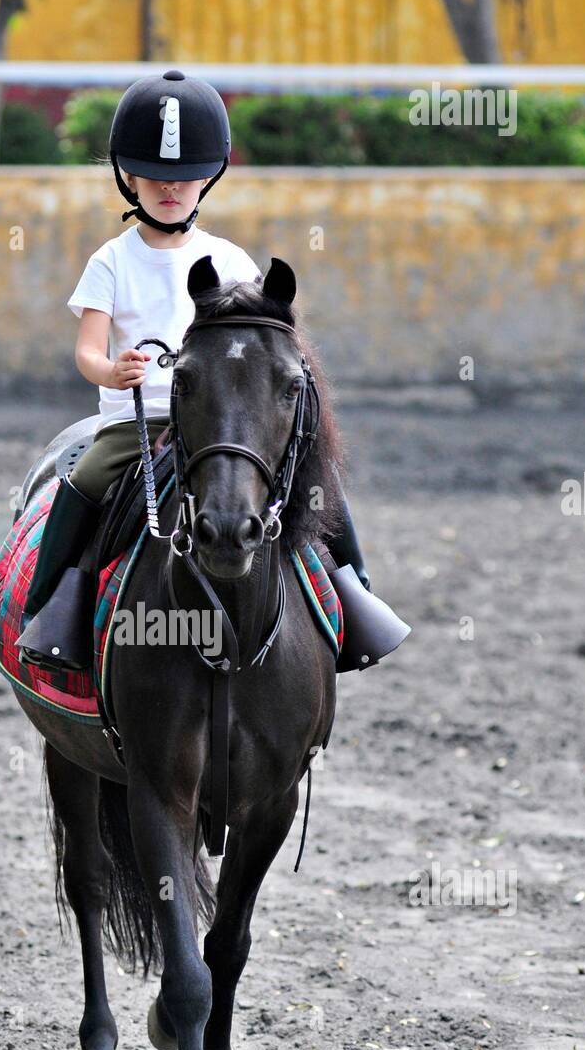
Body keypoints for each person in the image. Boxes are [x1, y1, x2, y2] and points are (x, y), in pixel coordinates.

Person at [19, 69, 376, 668]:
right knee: (81, 486)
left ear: (207, 180)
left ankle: (353, 590)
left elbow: (257, 350)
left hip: (222, 422)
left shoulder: (229, 259)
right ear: (127, 178)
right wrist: (111, 371)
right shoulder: (111, 261)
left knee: (316, 478)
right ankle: (51, 606)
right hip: (138, 423)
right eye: (156, 178)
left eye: (184, 179)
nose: (170, 190)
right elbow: (87, 350)